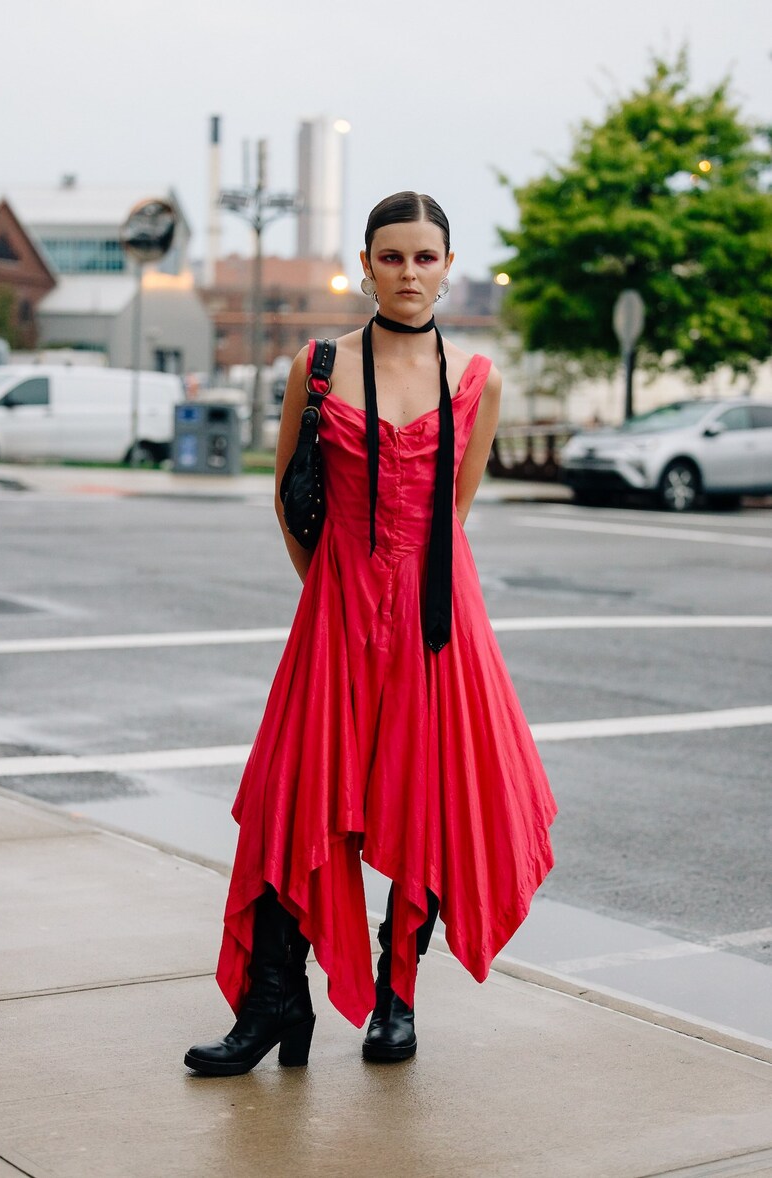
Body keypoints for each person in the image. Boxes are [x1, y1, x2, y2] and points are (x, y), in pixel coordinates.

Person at [185, 192, 557, 1075]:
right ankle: (276, 1003)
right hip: (337, 612)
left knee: (419, 799)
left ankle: (398, 998)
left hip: (434, 621)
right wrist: (334, 595)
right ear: (366, 264)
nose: (409, 274)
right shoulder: (317, 365)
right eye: (392, 258)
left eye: (425, 258)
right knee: (291, 797)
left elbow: (452, 516)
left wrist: (405, 590)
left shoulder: (478, 379)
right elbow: (289, 499)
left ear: (448, 266)